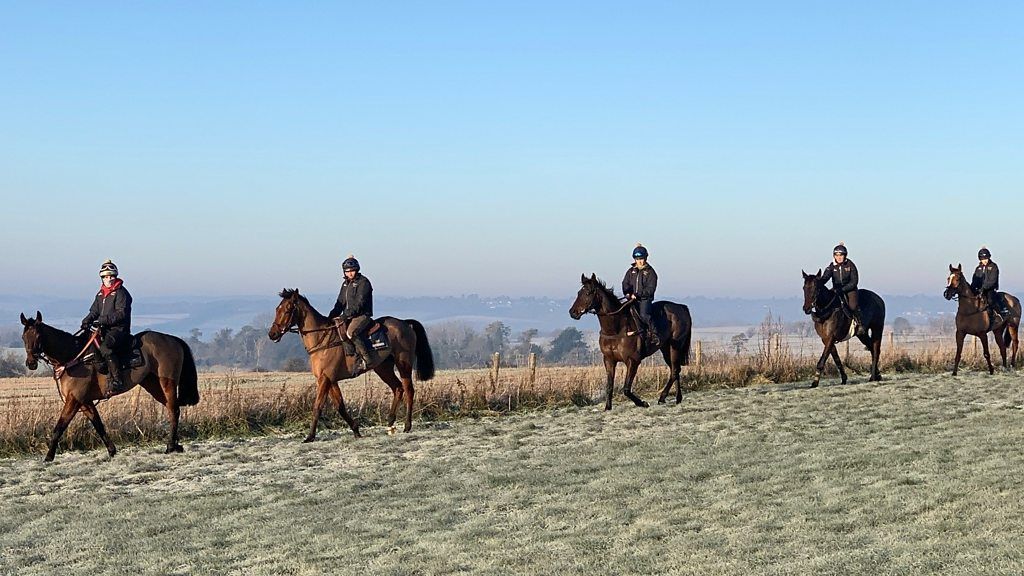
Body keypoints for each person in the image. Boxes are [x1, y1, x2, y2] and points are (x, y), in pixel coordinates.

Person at [81, 260, 133, 397]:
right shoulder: (100, 294)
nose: (108, 279)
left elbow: (121, 313)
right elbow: (94, 311)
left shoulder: (122, 293)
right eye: (105, 277)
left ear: (115, 277)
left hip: (119, 330)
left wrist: (103, 320)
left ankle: (117, 380)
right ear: (102, 278)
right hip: (103, 328)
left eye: (111, 276)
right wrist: (87, 320)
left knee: (105, 348)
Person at [328, 255, 377, 374]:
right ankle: (350, 356)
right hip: (348, 315)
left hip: (362, 315)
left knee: (351, 332)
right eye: (347, 271)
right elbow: (339, 303)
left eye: (352, 270)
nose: (350, 273)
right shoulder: (345, 284)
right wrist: (330, 317)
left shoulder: (364, 282)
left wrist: (345, 316)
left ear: (357, 269)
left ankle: (366, 359)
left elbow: (359, 304)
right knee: (338, 330)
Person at [822, 243, 866, 336]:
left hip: (850, 289)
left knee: (853, 306)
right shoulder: (831, 266)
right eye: (837, 255)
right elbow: (825, 278)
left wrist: (843, 289)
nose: (839, 257)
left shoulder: (850, 265)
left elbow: (854, 281)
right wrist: (817, 283)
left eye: (841, 255)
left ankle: (860, 324)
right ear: (834, 256)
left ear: (845, 255)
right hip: (836, 289)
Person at [622, 243, 660, 347]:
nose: (639, 261)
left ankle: (654, 334)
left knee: (644, 315)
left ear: (646, 258)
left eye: (642, 258)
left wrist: (638, 294)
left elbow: (650, 289)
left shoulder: (651, 272)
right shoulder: (630, 271)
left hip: (644, 299)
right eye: (637, 259)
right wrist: (627, 293)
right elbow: (625, 283)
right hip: (632, 298)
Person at [971, 247, 1009, 317]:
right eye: (982, 259)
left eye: (986, 258)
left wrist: (983, 288)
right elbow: (975, 280)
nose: (984, 260)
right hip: (979, 290)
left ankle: (998, 315)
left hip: (990, 289)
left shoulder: (994, 267)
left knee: (990, 300)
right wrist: (972, 288)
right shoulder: (978, 268)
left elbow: (992, 280)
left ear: (989, 258)